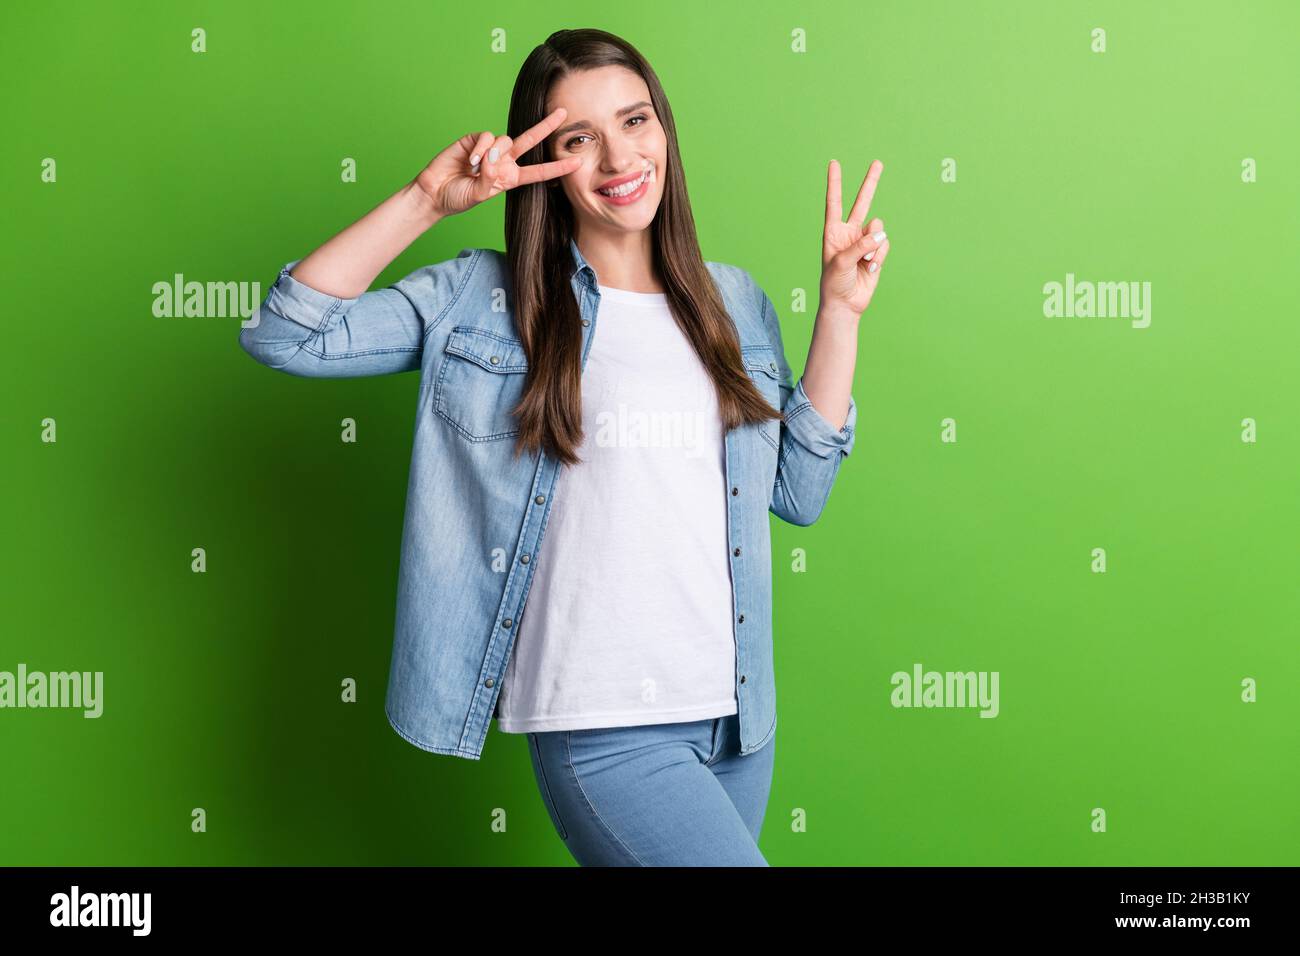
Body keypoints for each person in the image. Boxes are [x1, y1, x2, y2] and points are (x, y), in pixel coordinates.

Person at [239, 27, 891, 866]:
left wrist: (839, 314)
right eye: (578, 137)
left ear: (664, 133)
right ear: (542, 159)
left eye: (635, 121)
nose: (619, 156)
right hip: (602, 724)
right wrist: (426, 202)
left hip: (735, 719)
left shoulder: (733, 301)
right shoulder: (482, 298)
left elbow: (800, 492)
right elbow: (287, 336)